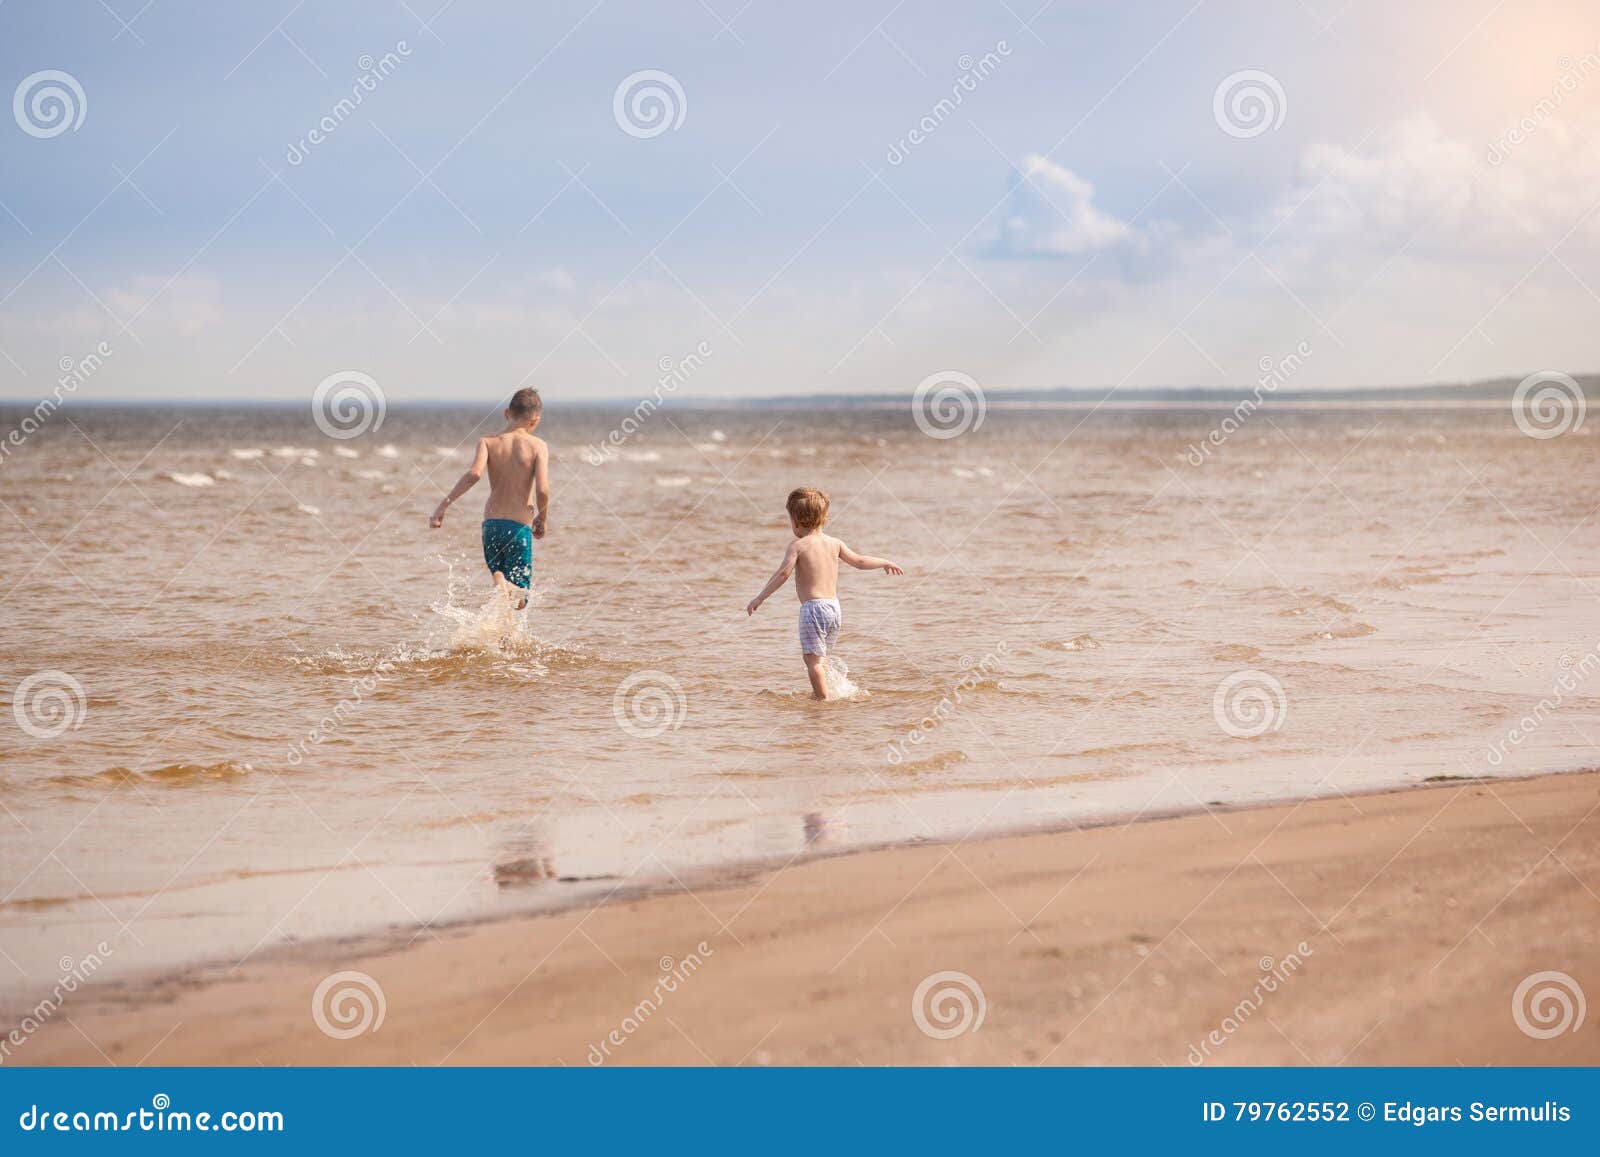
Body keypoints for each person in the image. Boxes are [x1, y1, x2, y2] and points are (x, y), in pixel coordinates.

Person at [746, 486, 904, 699]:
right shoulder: (835, 543)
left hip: (813, 609)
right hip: (834, 608)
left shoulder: (798, 546)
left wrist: (760, 597)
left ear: (795, 521)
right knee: (822, 659)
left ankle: (822, 700)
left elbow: (782, 574)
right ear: (824, 517)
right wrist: (884, 561)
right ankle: (826, 692)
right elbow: (859, 561)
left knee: (812, 661)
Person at [430, 388, 550, 610]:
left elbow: (474, 474)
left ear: (507, 413)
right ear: (535, 420)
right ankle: (500, 581)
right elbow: (542, 489)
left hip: (492, 526)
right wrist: (543, 517)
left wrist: (442, 506)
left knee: (504, 592)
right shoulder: (538, 446)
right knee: (520, 599)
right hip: (518, 529)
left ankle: (506, 638)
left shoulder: (487, 442)